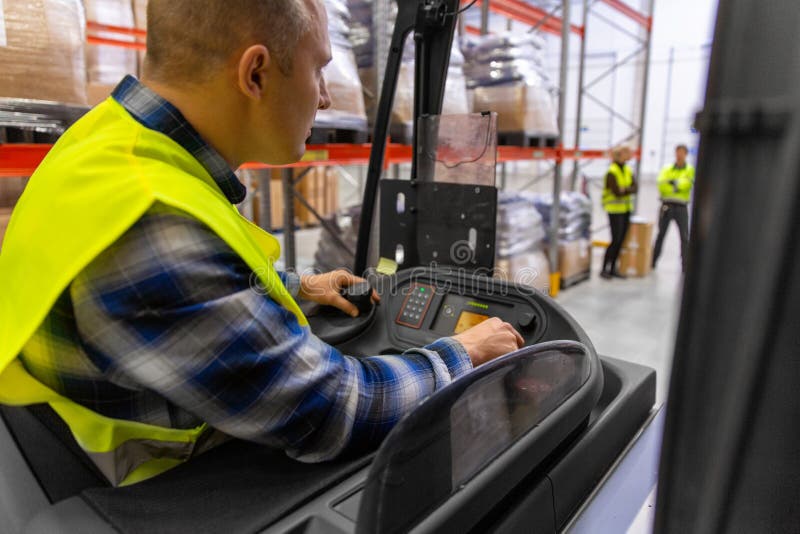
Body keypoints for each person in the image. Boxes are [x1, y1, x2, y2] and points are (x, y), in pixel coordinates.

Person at [0, 0, 523, 487]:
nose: (324, 97)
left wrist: (296, 287)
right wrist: (460, 355)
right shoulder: (155, 225)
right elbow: (330, 413)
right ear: (255, 74)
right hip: (157, 480)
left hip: (66, 433)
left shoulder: (107, 141)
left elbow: (192, 292)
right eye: (319, 70)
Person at [652, 144, 695, 272]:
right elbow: (662, 185)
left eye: (682, 152)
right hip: (667, 206)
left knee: (684, 237)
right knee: (661, 235)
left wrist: (674, 184)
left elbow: (687, 185)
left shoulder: (689, 170)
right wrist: (677, 185)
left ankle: (685, 265)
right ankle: (652, 261)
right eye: (677, 152)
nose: (679, 154)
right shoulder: (667, 169)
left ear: (686, 154)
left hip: (681, 207)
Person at [600, 145, 637, 279]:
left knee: (621, 240)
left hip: (626, 209)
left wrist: (625, 189)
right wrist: (627, 189)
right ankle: (604, 268)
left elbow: (635, 187)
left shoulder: (627, 169)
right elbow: (616, 191)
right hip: (614, 211)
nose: (629, 155)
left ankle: (613, 268)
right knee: (615, 240)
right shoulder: (612, 171)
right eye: (626, 152)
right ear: (619, 155)